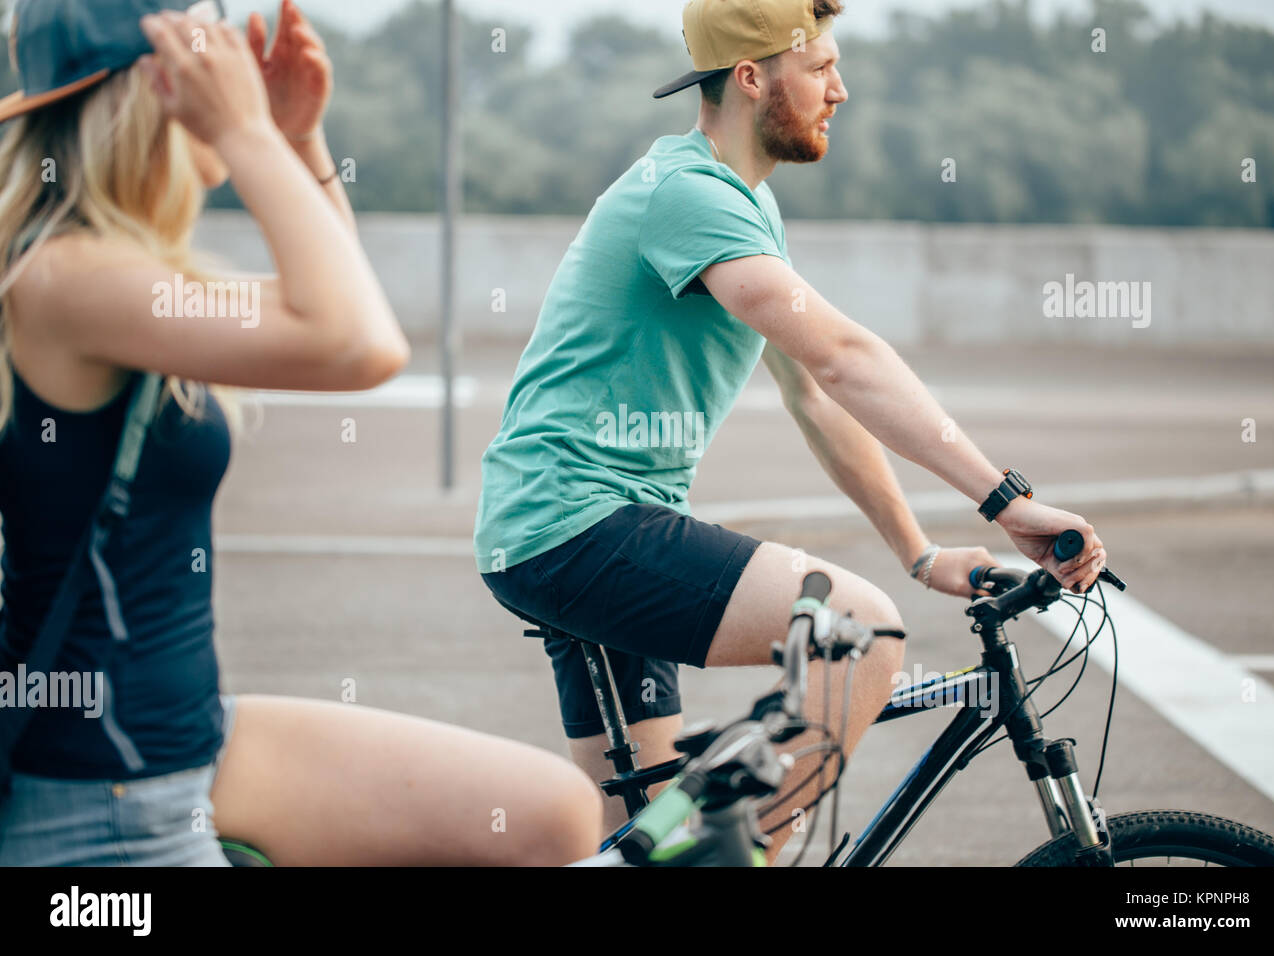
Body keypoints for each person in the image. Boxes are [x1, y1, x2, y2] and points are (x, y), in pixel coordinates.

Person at [475, 0, 1108, 857]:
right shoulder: (690, 196)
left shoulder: (736, 207)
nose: (841, 90)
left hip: (556, 533)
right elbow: (845, 357)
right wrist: (1005, 500)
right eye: (821, 69)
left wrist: (919, 553)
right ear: (751, 77)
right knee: (865, 632)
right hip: (581, 526)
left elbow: (815, 392)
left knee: (642, 841)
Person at [0, 0, 601, 866]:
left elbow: (341, 313)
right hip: (105, 804)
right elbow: (356, 343)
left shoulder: (117, 271)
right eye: (216, 64)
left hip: (187, 740)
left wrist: (293, 141)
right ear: (157, 89)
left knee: (552, 814)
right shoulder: (63, 279)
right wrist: (244, 134)